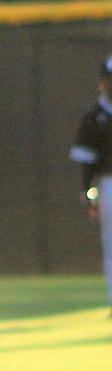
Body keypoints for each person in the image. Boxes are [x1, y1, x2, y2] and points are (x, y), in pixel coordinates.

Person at [70, 55, 112, 312]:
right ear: (102, 83)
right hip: (109, 183)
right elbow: (86, 160)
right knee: (111, 244)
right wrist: (87, 192)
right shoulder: (94, 116)